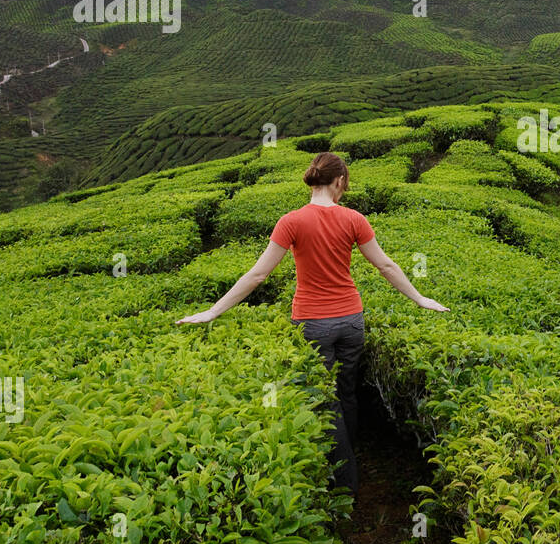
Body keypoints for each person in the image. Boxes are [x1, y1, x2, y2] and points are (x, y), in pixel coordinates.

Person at [176, 151, 448, 498]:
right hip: (351, 320)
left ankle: (345, 478)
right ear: (340, 181)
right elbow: (387, 266)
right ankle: (351, 456)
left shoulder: (291, 221)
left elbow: (258, 275)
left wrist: (213, 311)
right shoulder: (354, 219)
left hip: (312, 322)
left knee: (327, 396)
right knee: (346, 390)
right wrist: (420, 298)